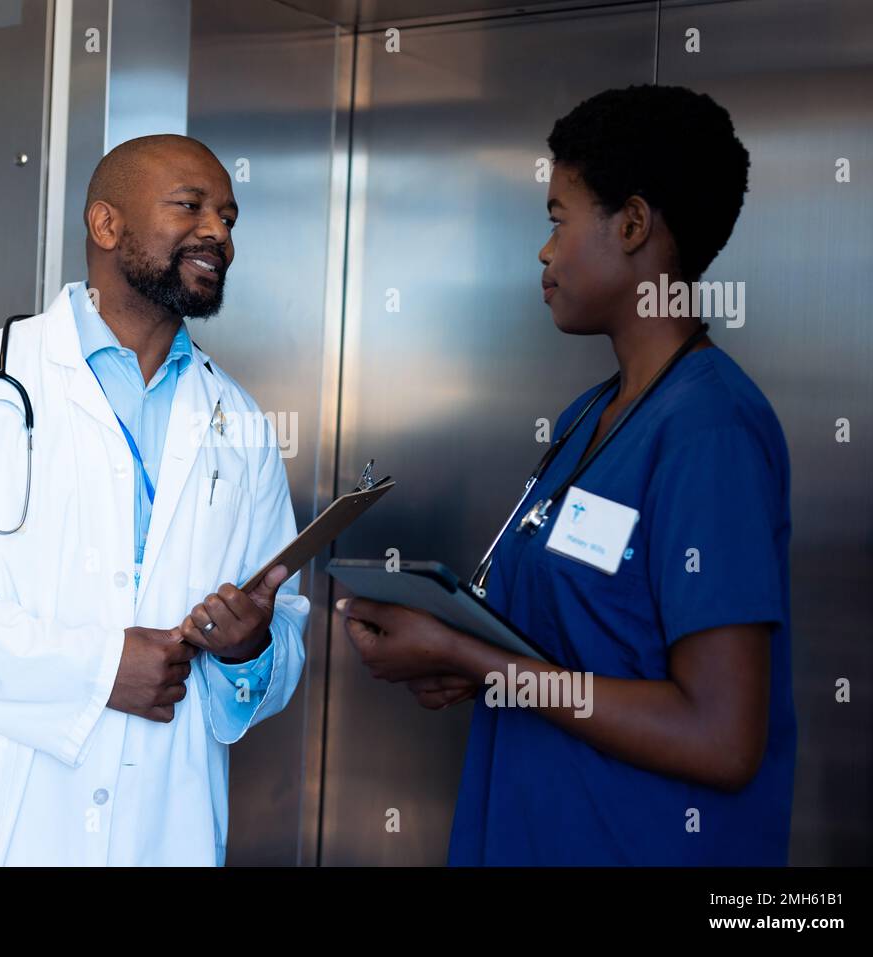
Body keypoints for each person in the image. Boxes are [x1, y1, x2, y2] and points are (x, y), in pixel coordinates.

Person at [336, 85, 796, 865]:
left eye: (557, 219)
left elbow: (720, 737)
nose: (545, 251)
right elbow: (587, 655)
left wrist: (480, 661)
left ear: (633, 223)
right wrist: (459, 655)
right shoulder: (591, 416)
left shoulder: (708, 430)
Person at [0, 134, 309, 866]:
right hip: (1, 823)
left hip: (167, 827)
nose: (219, 234)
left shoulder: (240, 423)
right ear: (106, 225)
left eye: (228, 215)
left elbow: (284, 633)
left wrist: (250, 647)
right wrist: (99, 668)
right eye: (190, 207)